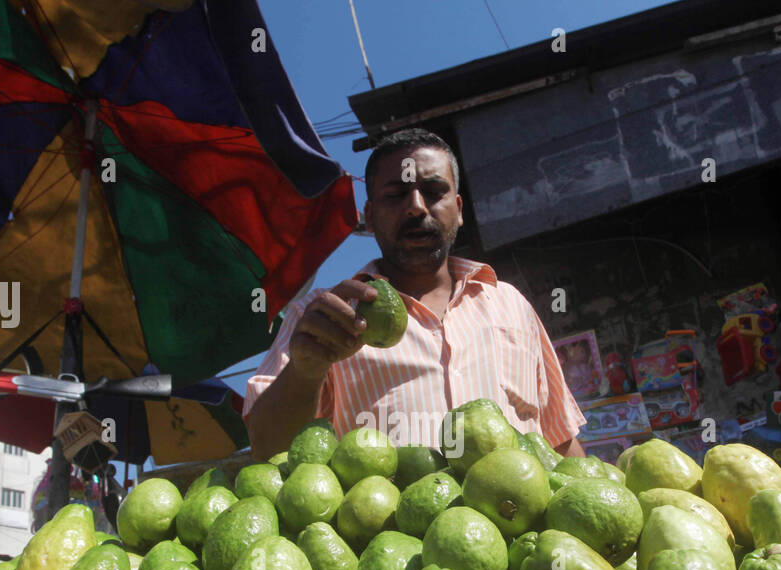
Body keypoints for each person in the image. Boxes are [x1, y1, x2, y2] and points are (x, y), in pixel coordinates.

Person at [245, 128, 587, 459]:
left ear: (459, 208)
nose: (416, 207)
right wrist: (306, 370)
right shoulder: (323, 319)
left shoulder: (510, 304)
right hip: (395, 519)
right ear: (370, 218)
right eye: (395, 195)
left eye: (434, 191)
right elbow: (268, 452)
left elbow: (558, 439)